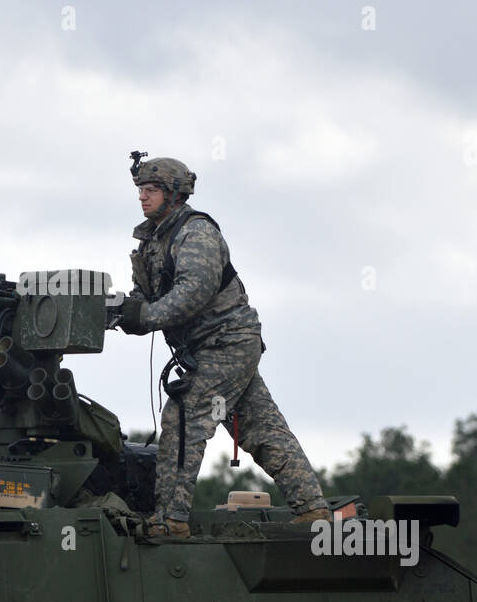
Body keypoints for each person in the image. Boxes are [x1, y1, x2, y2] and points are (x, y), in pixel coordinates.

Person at [116, 156, 330, 537]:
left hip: (226, 343)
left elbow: (192, 294)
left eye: (150, 190)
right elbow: (146, 295)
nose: (142, 197)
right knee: (261, 427)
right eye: (140, 190)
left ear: (174, 195)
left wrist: (144, 317)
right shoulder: (155, 239)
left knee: (185, 416)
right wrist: (119, 311)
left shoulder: (194, 233)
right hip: (216, 346)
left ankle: (170, 519)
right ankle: (313, 509)